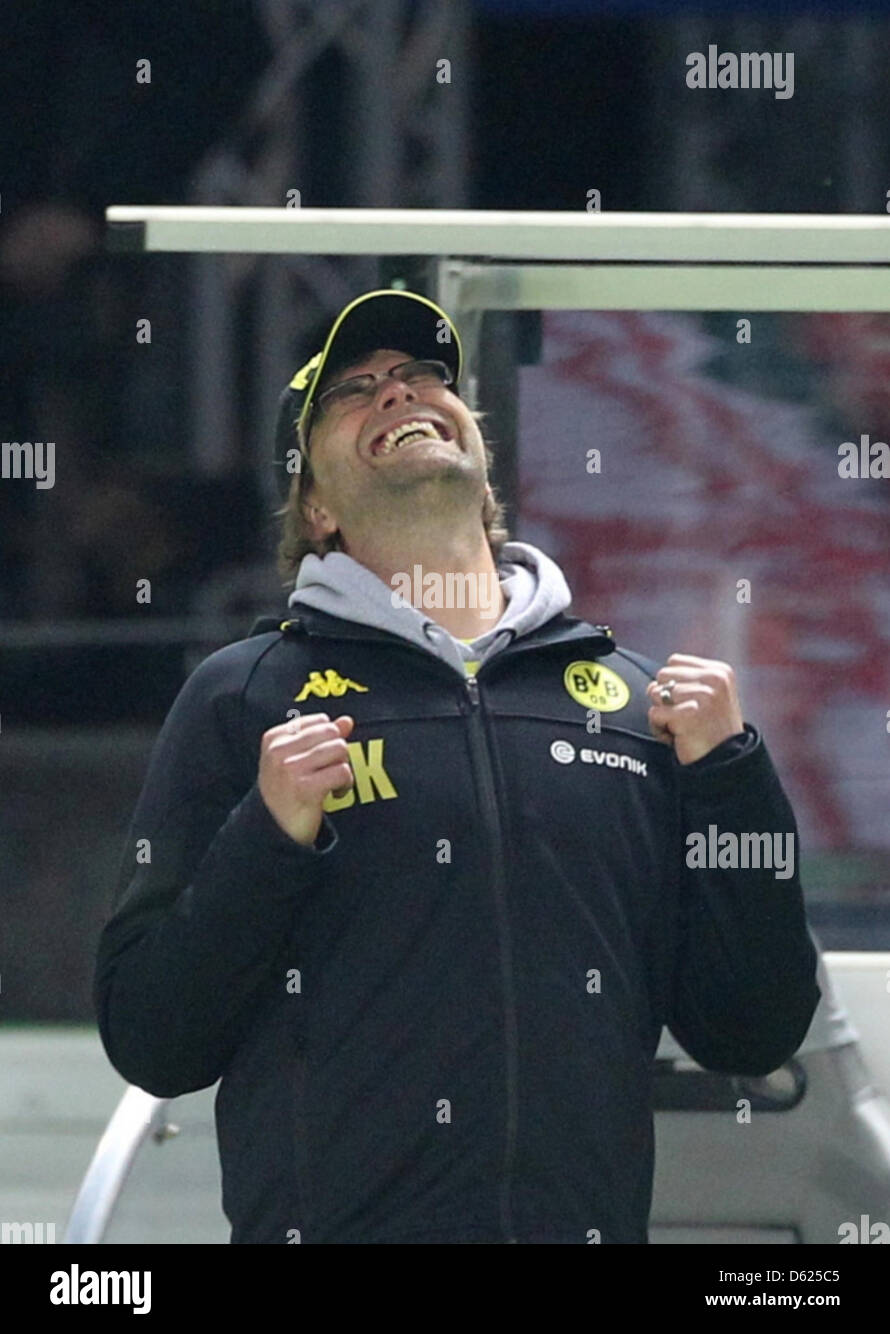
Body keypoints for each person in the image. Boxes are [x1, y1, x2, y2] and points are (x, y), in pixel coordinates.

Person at [94, 288, 821, 1245]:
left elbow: (753, 1030)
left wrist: (734, 777)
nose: (399, 394)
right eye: (353, 391)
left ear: (483, 473)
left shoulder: (642, 706)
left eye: (423, 375)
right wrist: (266, 838)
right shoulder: (245, 696)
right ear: (314, 504)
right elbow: (153, 1037)